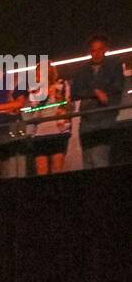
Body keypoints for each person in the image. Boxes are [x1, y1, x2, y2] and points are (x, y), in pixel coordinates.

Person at [71, 33, 125, 169]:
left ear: (106, 49)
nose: (96, 53)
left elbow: (117, 87)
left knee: (99, 158)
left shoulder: (114, 65)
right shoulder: (82, 70)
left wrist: (102, 96)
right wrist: (96, 92)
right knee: (88, 160)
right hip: (86, 121)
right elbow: (75, 92)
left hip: (105, 119)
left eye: (100, 49)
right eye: (93, 50)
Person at [25, 61, 72, 175]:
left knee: (57, 168)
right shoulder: (34, 89)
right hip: (40, 131)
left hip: (58, 130)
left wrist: (61, 105)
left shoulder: (62, 85)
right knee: (41, 169)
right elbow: (34, 108)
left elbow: (68, 105)